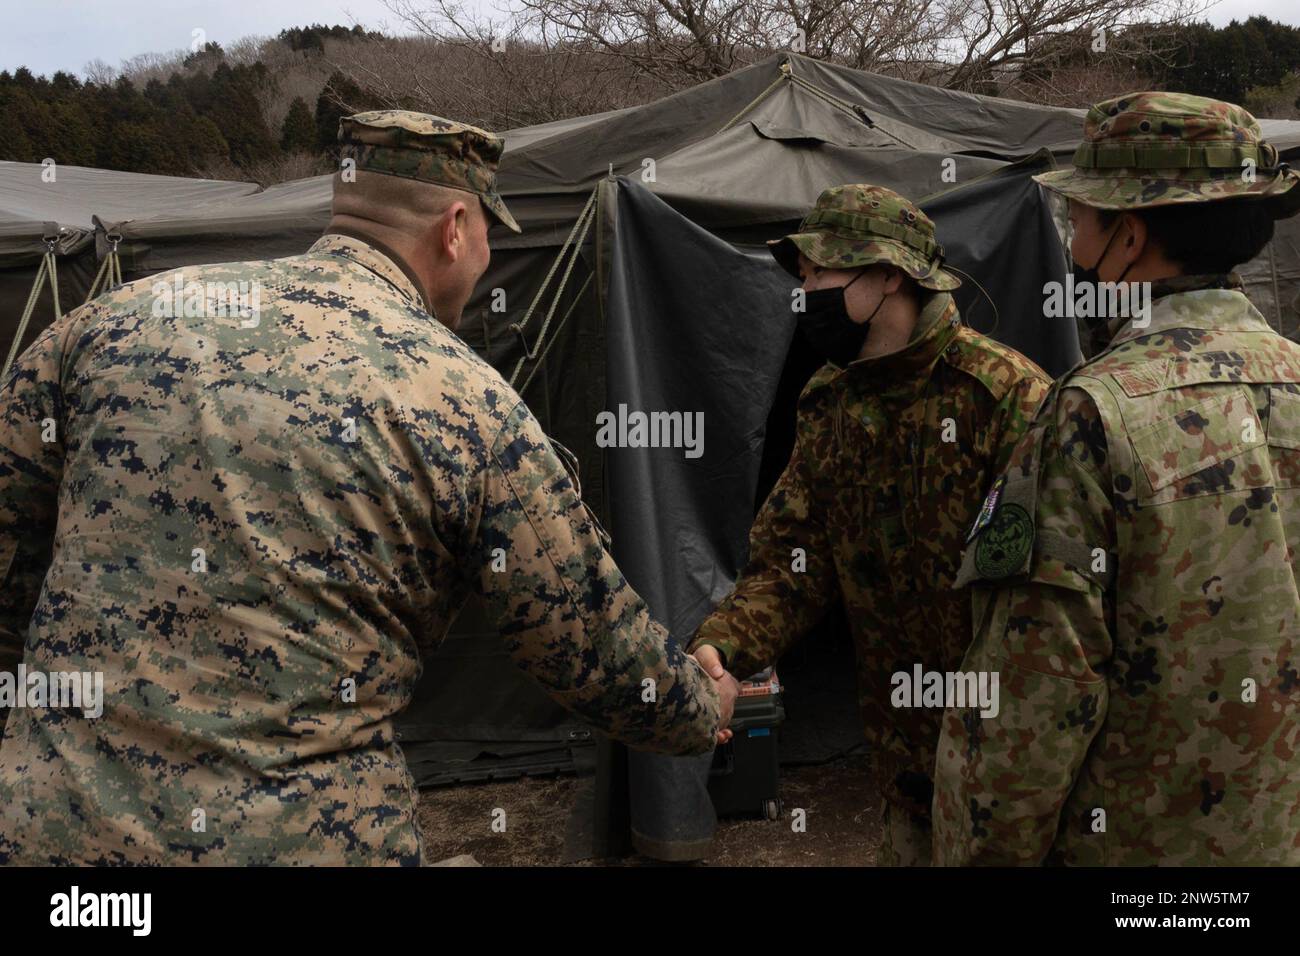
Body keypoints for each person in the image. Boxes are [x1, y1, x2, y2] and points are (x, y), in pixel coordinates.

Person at [0, 110, 735, 866]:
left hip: (52, 841)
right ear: (456, 228)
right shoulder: (467, 403)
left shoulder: (103, 326)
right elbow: (593, 648)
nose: (487, 257)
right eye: (489, 233)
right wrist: (700, 703)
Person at [933, 92, 1300, 866]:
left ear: (1129, 236)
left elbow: (1029, 707)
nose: (1073, 238)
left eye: (1082, 217)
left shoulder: (1094, 412)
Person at [687, 184, 1051, 865]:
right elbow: (793, 561)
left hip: (1010, 762)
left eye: (822, 272)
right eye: (802, 276)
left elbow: (1052, 602)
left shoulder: (1004, 396)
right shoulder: (831, 402)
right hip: (902, 760)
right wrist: (725, 647)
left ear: (889, 276)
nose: (807, 292)